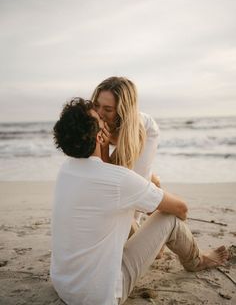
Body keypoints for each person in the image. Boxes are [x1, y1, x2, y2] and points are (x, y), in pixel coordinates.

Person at [51, 97, 228, 305]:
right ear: (100, 136)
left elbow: (104, 174)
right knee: (169, 219)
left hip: (64, 285)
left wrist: (107, 149)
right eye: (100, 118)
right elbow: (181, 208)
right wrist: (153, 191)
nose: (105, 120)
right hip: (99, 297)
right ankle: (198, 261)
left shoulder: (66, 171)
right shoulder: (119, 181)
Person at [91, 76, 160, 187]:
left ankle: (152, 180)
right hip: (121, 133)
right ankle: (153, 178)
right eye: (96, 105)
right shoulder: (95, 117)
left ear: (121, 111)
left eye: (108, 109)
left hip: (143, 132)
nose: (99, 113)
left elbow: (117, 176)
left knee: (137, 182)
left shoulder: (135, 129)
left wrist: (104, 148)